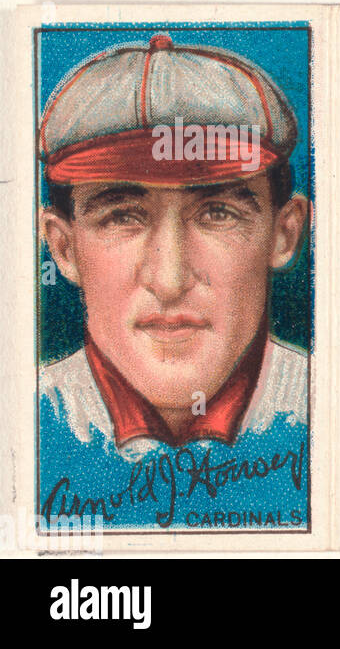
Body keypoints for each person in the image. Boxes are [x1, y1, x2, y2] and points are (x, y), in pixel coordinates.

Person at [37, 33, 310, 529]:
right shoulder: (24, 416)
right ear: (63, 248)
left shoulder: (328, 407)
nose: (168, 280)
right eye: (122, 216)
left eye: (218, 213)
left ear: (284, 233)